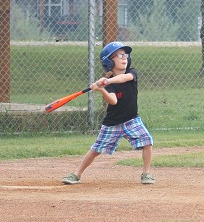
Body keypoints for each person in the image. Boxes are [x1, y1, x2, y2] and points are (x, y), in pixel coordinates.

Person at [62, 42, 155, 185]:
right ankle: (76, 174)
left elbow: (123, 78)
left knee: (147, 142)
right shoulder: (109, 85)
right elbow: (113, 101)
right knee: (95, 150)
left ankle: (146, 174)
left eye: (125, 55)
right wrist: (101, 89)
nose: (124, 58)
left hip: (131, 120)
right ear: (109, 62)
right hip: (112, 124)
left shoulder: (132, 73)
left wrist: (105, 81)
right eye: (119, 55)